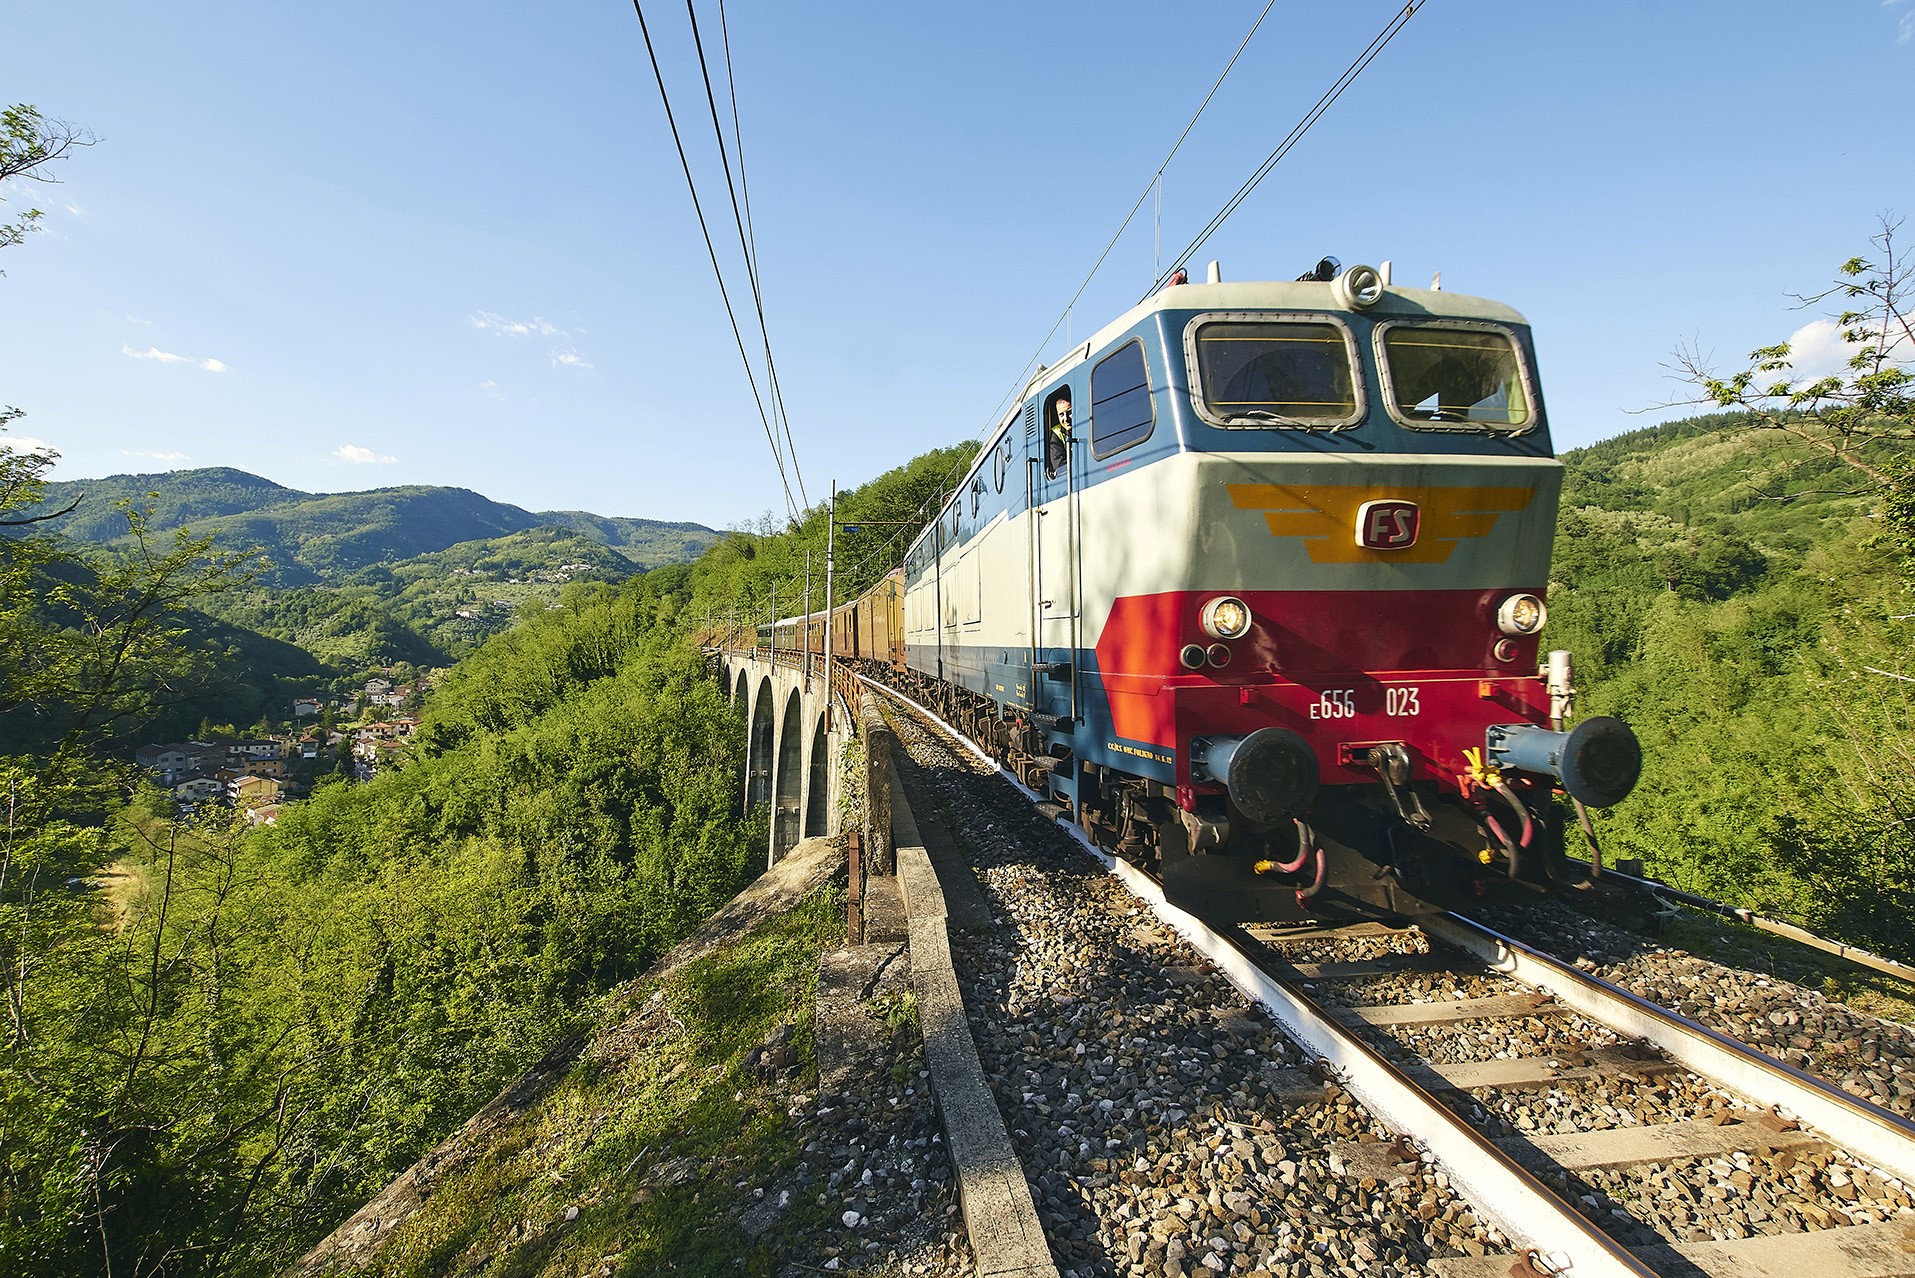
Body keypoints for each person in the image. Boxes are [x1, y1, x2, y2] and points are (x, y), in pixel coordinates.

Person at [1046, 392, 1071, 476]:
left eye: (1069, 412)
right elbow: (1060, 466)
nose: (1066, 419)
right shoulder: (1056, 434)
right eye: (1061, 414)